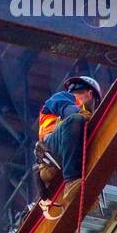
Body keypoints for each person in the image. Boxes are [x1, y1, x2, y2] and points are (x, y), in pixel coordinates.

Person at [34, 74, 102, 204]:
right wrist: (84, 113)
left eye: (78, 90)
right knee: (76, 120)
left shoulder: (86, 118)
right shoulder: (63, 98)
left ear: (90, 93)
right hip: (51, 149)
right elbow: (68, 110)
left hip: (63, 153)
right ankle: (72, 181)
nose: (75, 93)